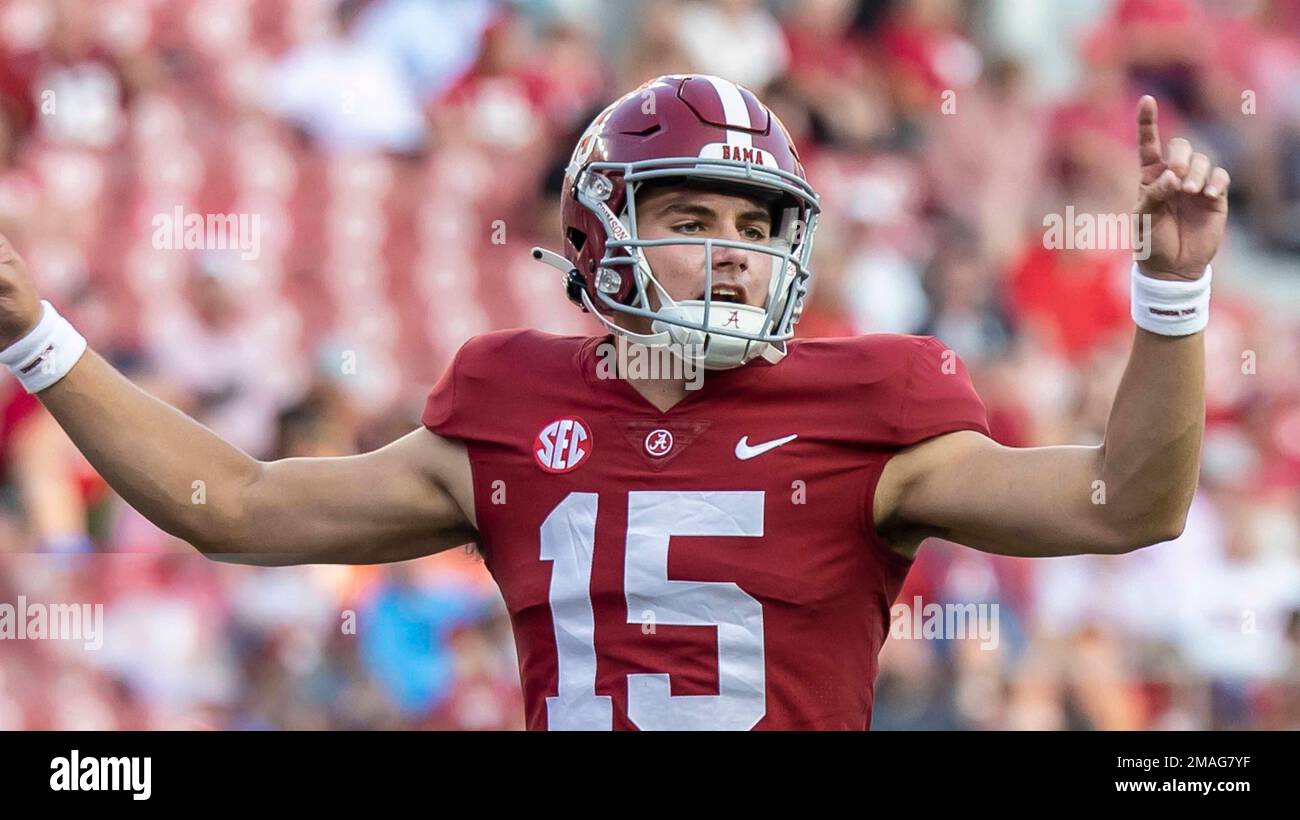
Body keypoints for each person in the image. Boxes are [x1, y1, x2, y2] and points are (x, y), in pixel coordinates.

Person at [0, 74, 1230, 730]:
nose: (734, 251)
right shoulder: (504, 401)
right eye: (690, 219)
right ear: (599, 236)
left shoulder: (873, 403)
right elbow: (235, 506)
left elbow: (1124, 503)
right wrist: (34, 335)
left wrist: (1170, 294)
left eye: (756, 226)